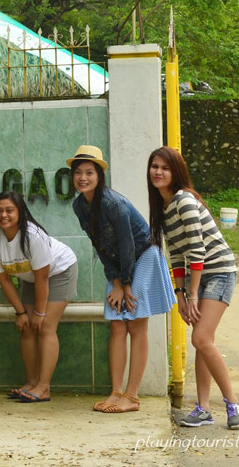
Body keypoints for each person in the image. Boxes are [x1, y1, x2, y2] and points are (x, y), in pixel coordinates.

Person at [68, 144, 175, 413]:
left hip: (143, 257)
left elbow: (128, 244)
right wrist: (115, 281)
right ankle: (116, 393)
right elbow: (99, 244)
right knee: (117, 325)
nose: (83, 178)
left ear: (99, 176)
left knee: (136, 325)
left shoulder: (113, 203)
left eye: (89, 172)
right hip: (119, 265)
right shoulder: (79, 205)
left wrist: (126, 284)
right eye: (78, 172)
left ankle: (132, 396)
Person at [147, 146, 239, 429]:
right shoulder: (164, 209)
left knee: (201, 338)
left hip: (219, 272)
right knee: (204, 340)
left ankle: (233, 403)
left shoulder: (184, 200)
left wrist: (191, 294)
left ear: (176, 172)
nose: (158, 172)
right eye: (155, 166)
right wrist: (180, 295)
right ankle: (203, 408)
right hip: (198, 277)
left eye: (165, 167)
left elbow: (198, 250)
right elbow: (177, 256)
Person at [0, 191, 78, 403]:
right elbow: (5, 281)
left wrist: (39, 313)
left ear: (20, 212)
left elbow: (43, 278)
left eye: (9, 210)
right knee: (26, 327)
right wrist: (20, 313)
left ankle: (44, 388)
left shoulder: (33, 236)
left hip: (59, 271)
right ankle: (32, 382)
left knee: (44, 327)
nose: (3, 215)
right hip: (31, 277)